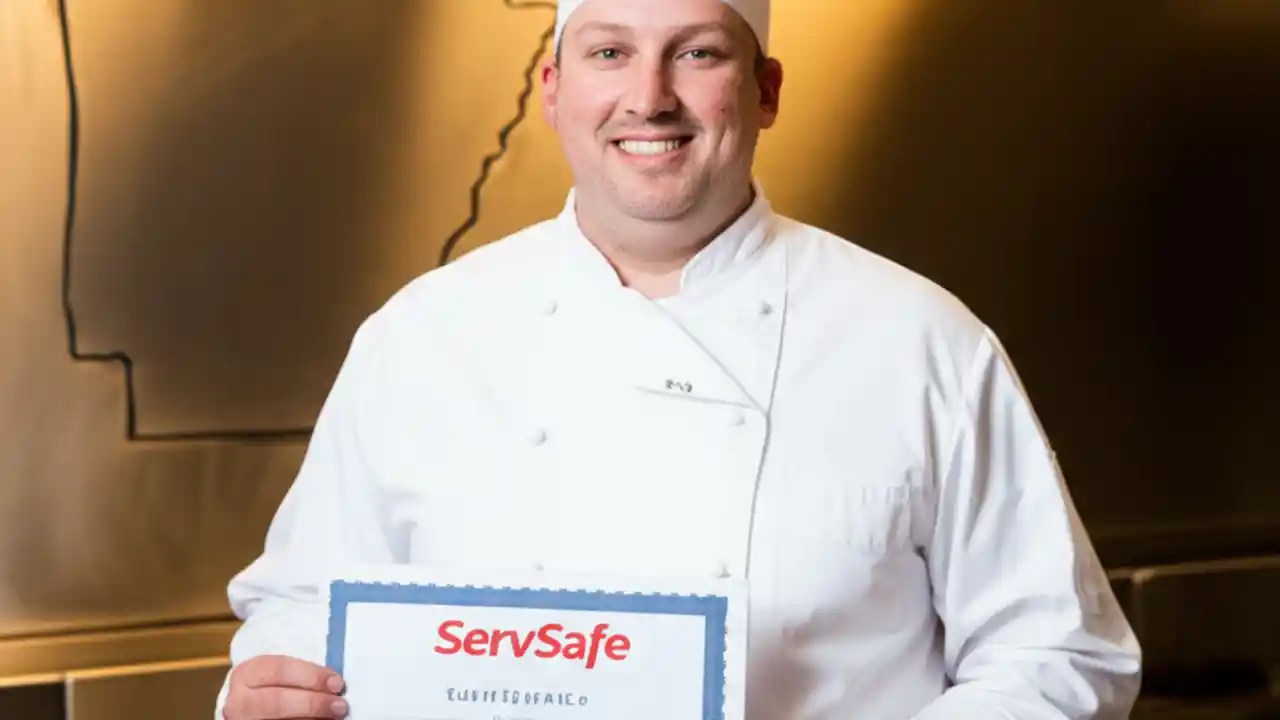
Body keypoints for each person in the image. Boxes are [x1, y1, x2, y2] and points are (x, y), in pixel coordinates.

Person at [217, 0, 1142, 717]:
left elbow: (1060, 653)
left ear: (767, 89)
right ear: (553, 88)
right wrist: (266, 686)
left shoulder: (919, 341)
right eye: (609, 51)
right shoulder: (419, 337)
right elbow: (305, 604)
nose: (649, 96)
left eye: (698, 51)